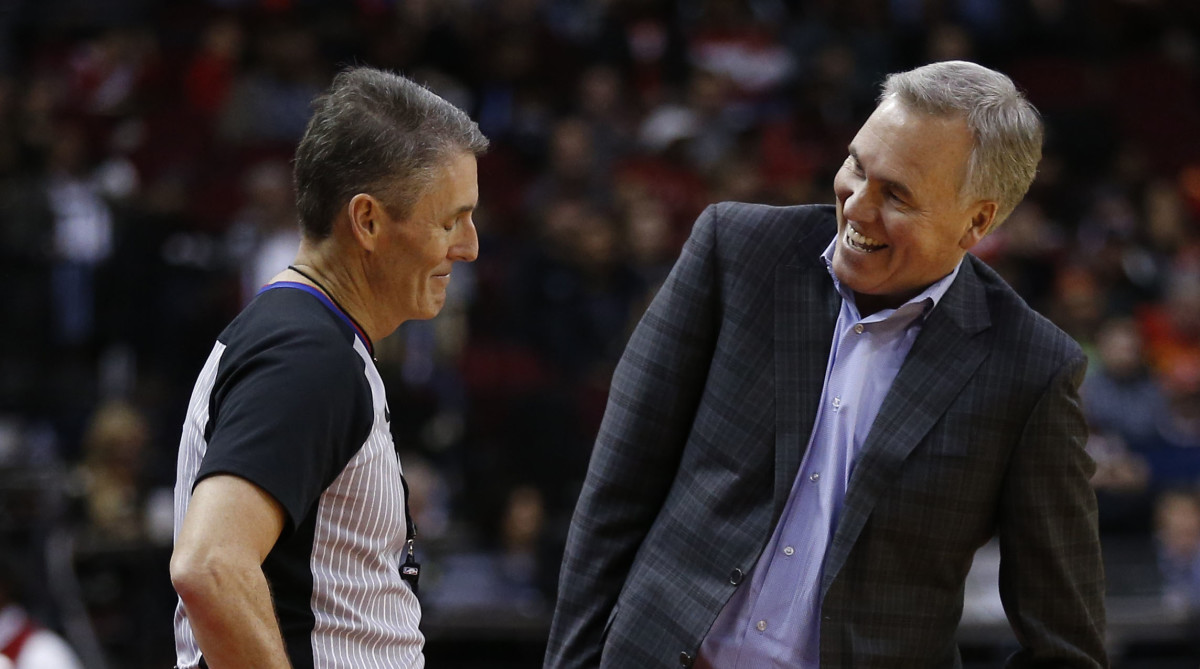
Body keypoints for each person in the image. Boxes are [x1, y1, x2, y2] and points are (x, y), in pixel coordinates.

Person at [545, 60, 1107, 669]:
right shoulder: (733, 252)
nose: (857, 208)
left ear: (977, 221)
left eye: (897, 195)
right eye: (857, 167)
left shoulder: (1031, 369)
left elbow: (1065, 643)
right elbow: (615, 489)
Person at [169, 66, 487, 669]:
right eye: (451, 219)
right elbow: (209, 566)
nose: (469, 246)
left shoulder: (311, 338)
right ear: (367, 220)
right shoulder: (306, 355)